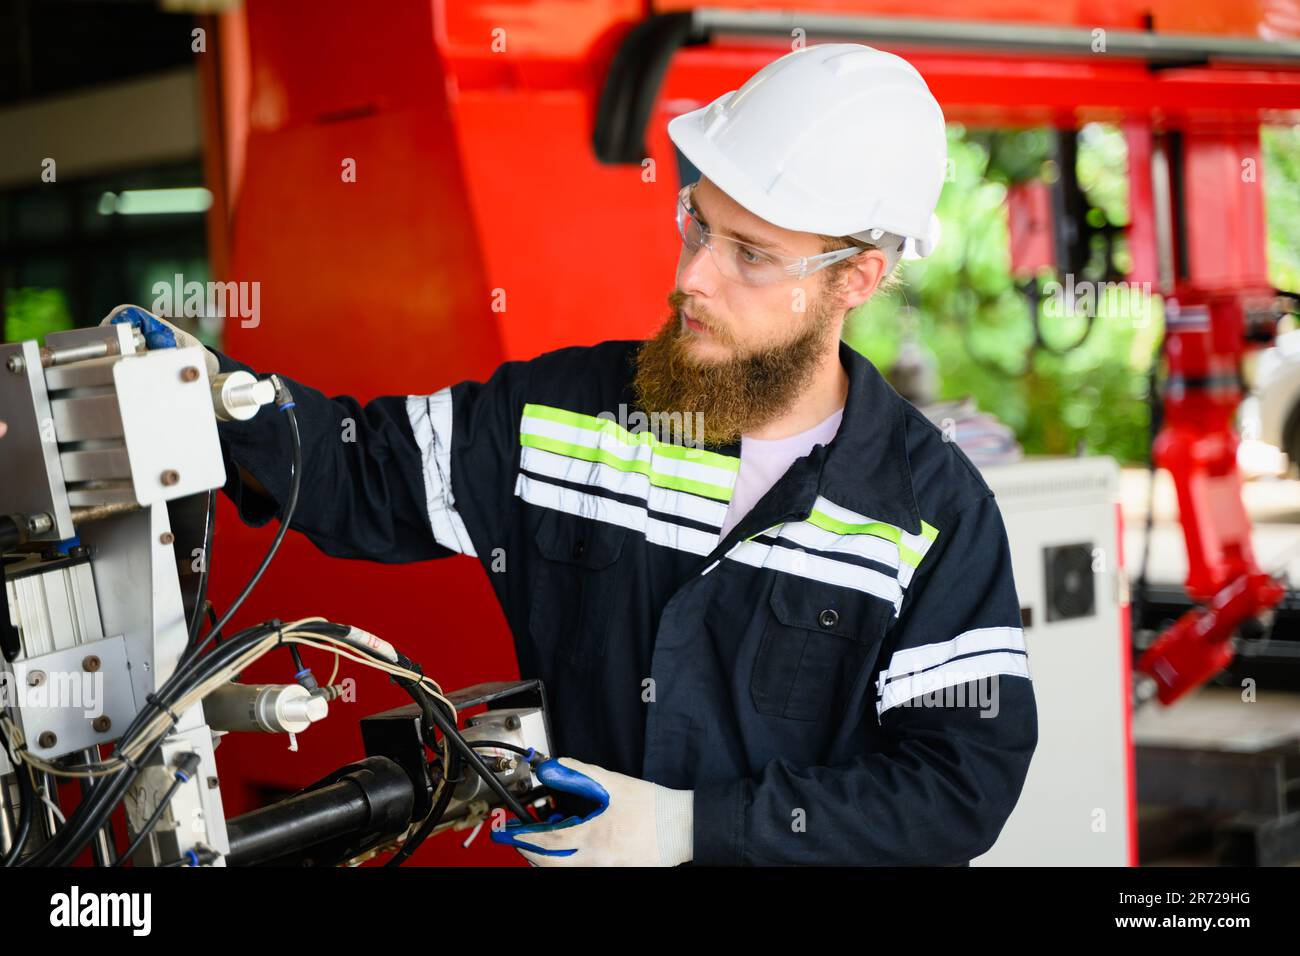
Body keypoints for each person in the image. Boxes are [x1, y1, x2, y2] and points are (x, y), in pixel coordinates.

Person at [108, 42, 1036, 866]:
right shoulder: (565, 415)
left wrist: (690, 829)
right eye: (697, 224)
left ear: (856, 278)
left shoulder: (930, 515)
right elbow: (359, 470)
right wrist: (212, 394)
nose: (692, 276)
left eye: (750, 255)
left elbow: (956, 789)